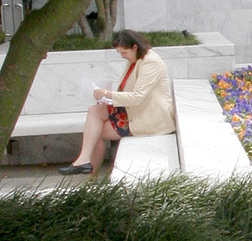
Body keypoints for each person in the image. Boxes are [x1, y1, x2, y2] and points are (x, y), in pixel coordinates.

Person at [59, 30, 175, 175]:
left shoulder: (151, 62)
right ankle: (83, 160)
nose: (123, 56)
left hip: (149, 118)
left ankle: (89, 175)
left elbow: (138, 96)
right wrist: (106, 99)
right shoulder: (135, 60)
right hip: (135, 110)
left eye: (124, 53)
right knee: (94, 111)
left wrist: (107, 94)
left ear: (135, 47)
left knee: (95, 133)